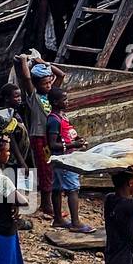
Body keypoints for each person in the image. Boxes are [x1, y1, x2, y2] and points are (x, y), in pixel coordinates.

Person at [16, 54, 64, 218]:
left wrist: (44, 63)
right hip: (40, 139)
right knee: (45, 170)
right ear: (37, 85)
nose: (49, 85)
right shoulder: (34, 97)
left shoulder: (51, 96)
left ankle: (46, 204)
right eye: (45, 83)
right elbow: (27, 78)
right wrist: (24, 61)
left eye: (50, 82)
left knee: (51, 169)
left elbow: (61, 75)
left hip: (51, 137)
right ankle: (47, 205)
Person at [46, 88, 91, 233]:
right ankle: (75, 222)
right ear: (55, 102)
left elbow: (68, 133)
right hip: (64, 159)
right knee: (72, 189)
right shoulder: (53, 119)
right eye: (64, 100)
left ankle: (58, 219)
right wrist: (73, 145)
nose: (67, 102)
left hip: (64, 158)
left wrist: (78, 139)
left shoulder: (62, 116)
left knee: (58, 188)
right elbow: (52, 144)